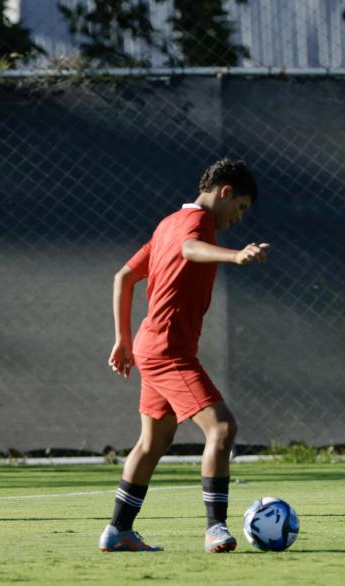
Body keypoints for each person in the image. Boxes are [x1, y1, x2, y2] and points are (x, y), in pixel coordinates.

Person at [99, 159, 270, 552]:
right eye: (240, 207)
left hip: (149, 343)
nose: (239, 218)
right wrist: (234, 255)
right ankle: (216, 528)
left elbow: (123, 276)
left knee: (152, 442)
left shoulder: (167, 223)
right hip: (168, 350)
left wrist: (123, 339)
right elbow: (191, 249)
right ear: (225, 192)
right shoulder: (198, 226)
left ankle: (118, 531)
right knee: (222, 428)